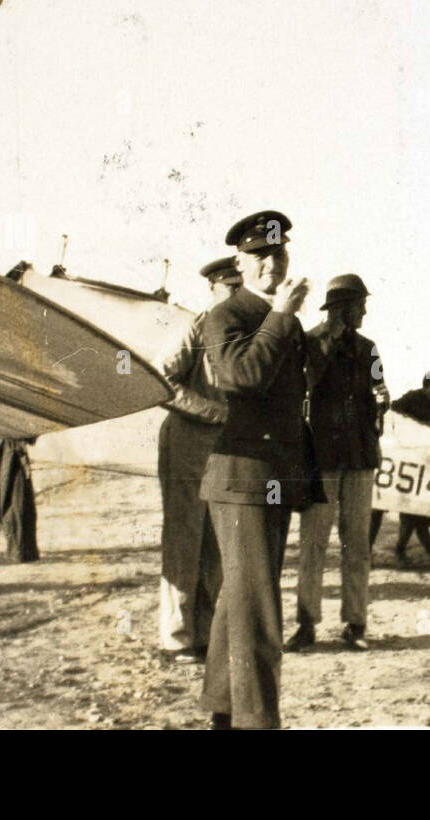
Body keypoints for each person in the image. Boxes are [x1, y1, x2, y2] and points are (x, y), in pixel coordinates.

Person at [198, 210, 318, 729]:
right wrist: (282, 316)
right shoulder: (226, 316)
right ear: (241, 264)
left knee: (240, 605)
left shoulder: (277, 319)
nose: (273, 263)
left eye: (280, 253)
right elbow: (243, 375)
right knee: (259, 612)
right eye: (261, 255)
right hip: (242, 478)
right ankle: (258, 723)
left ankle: (226, 716)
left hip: (270, 478)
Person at [286, 274, 388, 653]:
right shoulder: (310, 343)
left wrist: (381, 396)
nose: (364, 311)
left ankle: (355, 623)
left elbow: (380, 385)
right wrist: (331, 339)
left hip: (360, 455)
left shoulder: (369, 348)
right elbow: (306, 384)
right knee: (313, 545)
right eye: (359, 305)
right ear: (343, 308)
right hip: (321, 459)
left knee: (357, 544)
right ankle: (306, 624)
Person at [154, 256, 239, 663]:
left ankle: (205, 634)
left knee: (216, 544)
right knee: (184, 538)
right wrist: (213, 411)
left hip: (225, 451)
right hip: (187, 445)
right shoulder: (198, 327)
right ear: (214, 289)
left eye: (242, 287)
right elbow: (162, 382)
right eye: (230, 288)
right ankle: (176, 637)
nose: (237, 295)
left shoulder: (245, 334)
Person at [368, 370, 430, 563]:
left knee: (417, 511)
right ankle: (366, 552)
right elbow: (390, 416)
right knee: (377, 508)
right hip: (401, 460)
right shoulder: (410, 399)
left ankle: (400, 549)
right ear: (425, 388)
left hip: (425, 466)